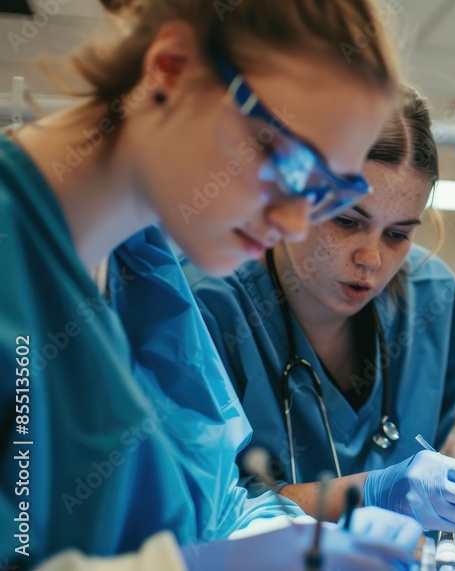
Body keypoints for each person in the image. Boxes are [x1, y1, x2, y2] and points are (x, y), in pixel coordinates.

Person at [0, 0, 422, 567]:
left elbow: (212, 505)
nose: (295, 223)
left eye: (324, 194)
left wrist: (301, 539)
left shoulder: (144, 268)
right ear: (171, 69)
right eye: (289, 165)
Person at [185, 84, 455, 561]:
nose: (372, 258)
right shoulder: (211, 308)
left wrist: (453, 525)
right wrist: (372, 491)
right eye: (346, 221)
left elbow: (422, 483)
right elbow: (205, 516)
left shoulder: (432, 302)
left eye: (398, 234)